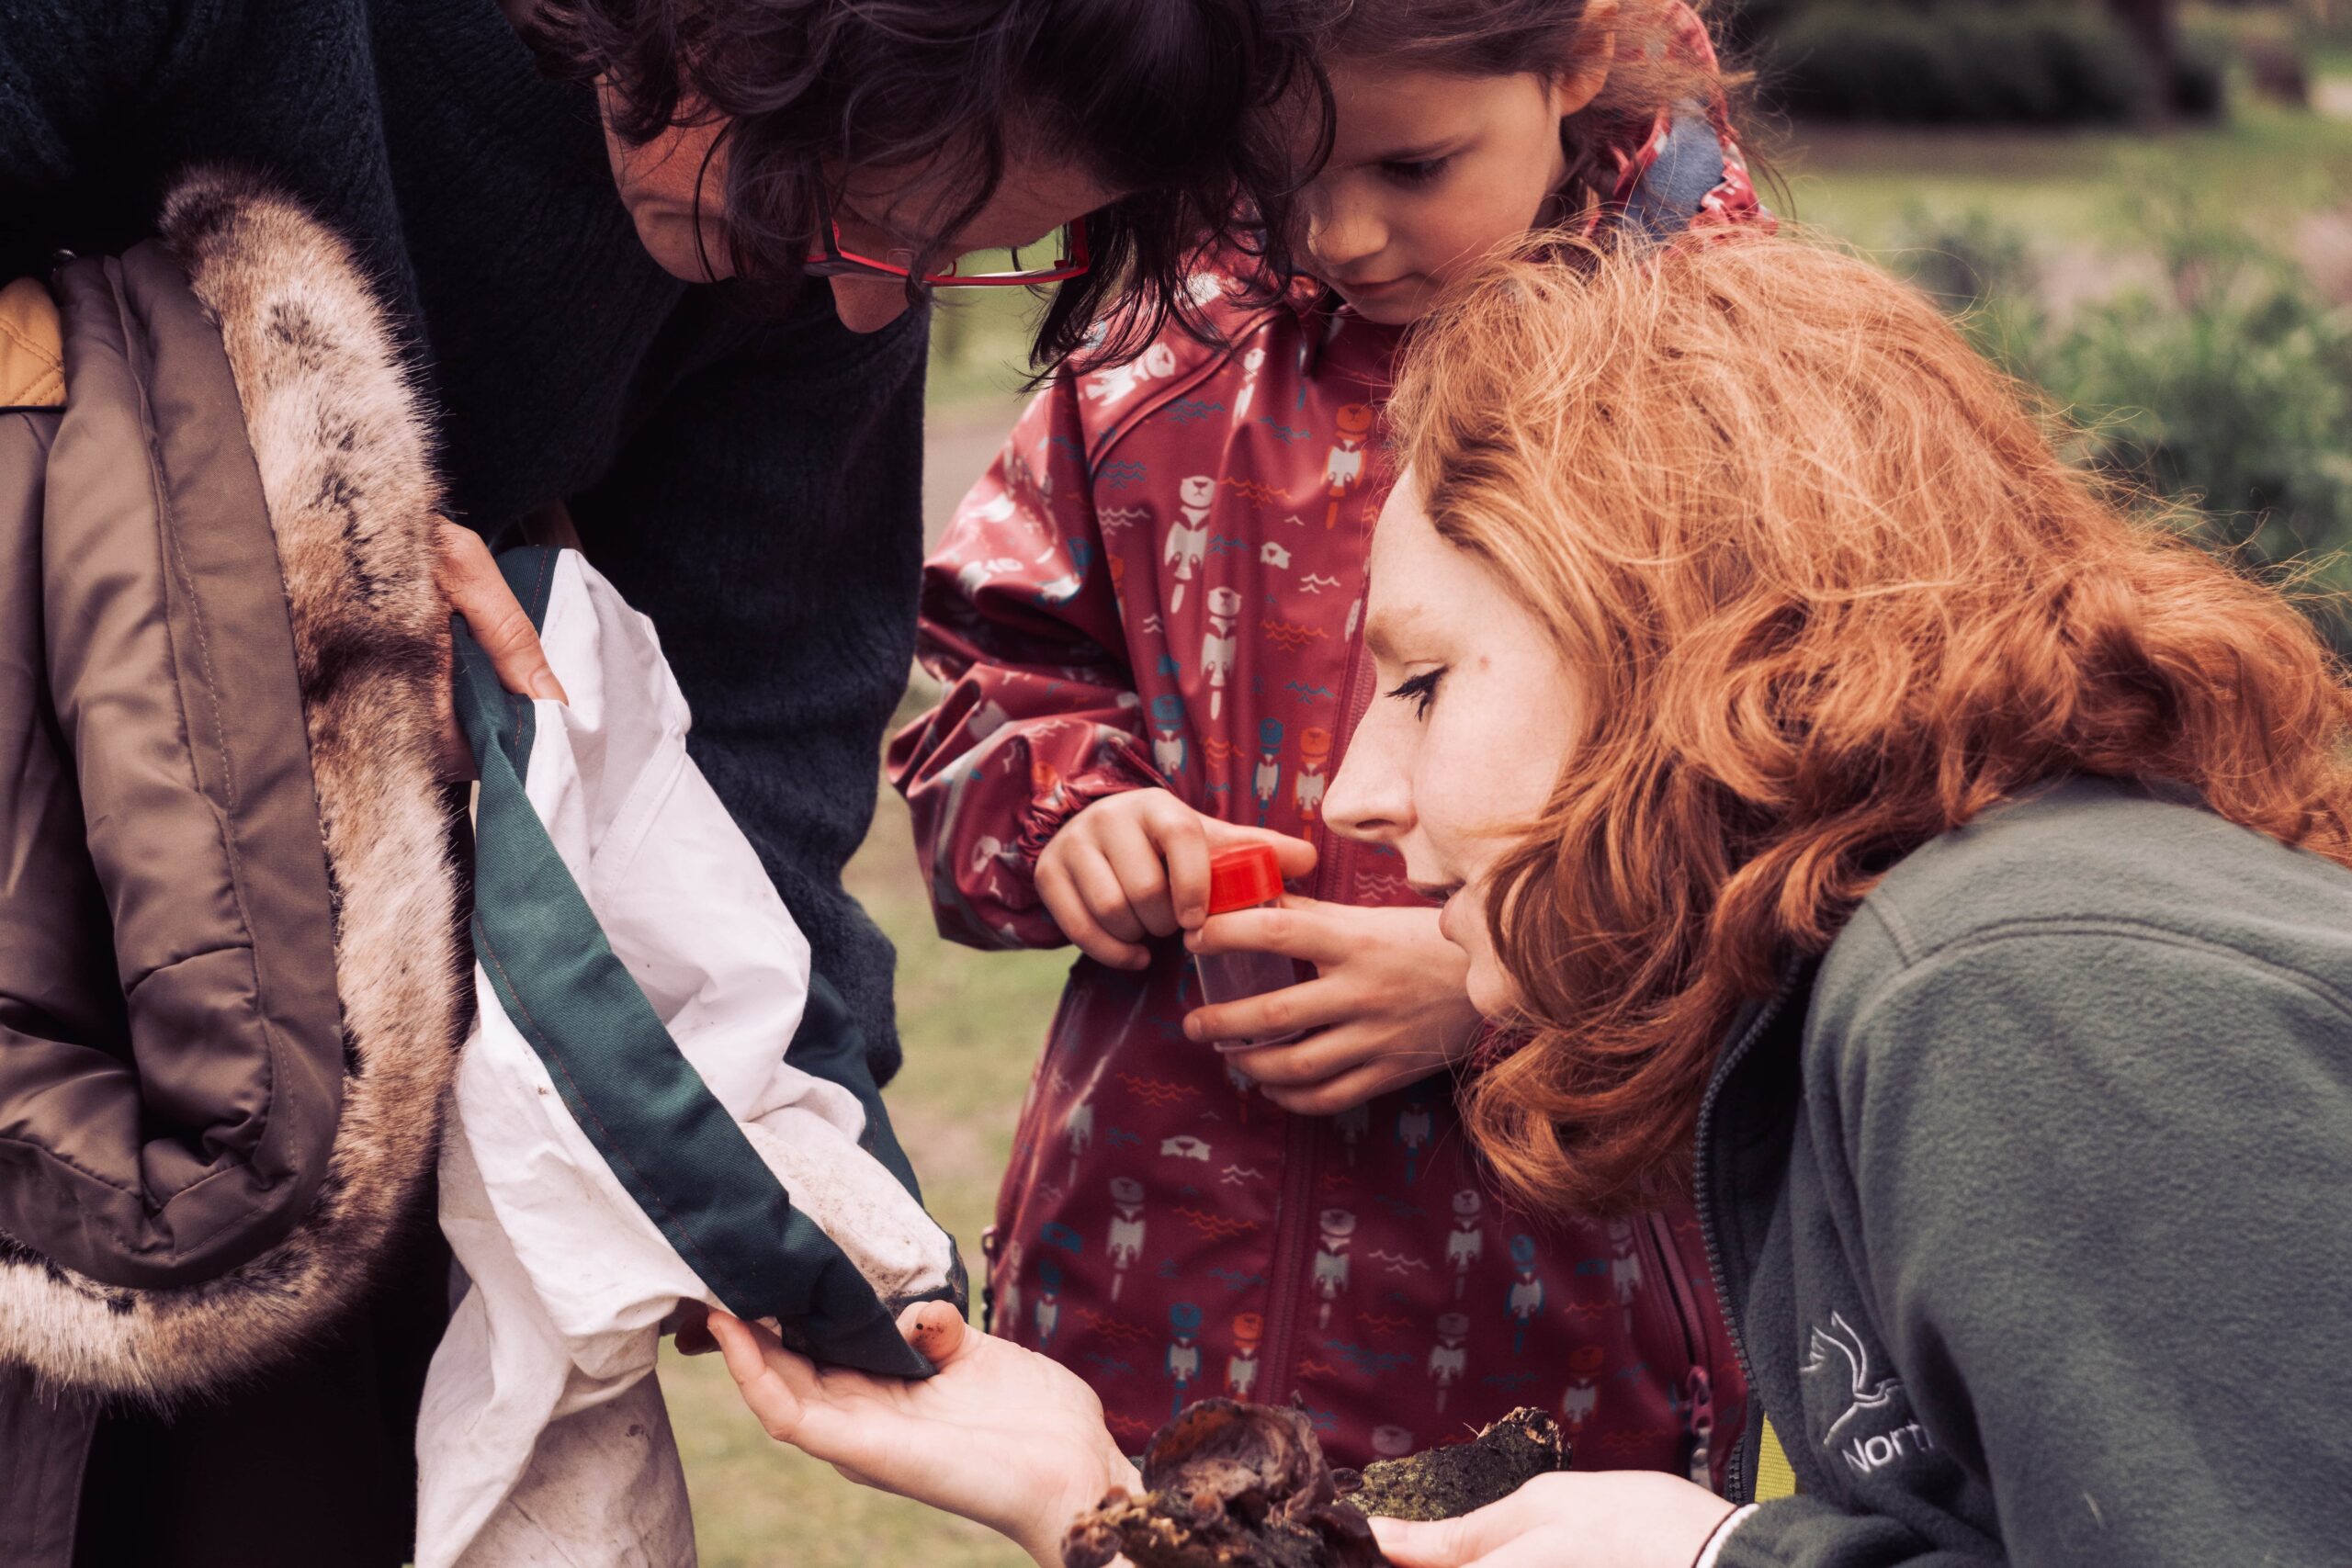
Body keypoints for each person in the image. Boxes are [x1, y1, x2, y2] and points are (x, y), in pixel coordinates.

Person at [709, 230, 2352, 1567]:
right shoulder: (1860, 1006)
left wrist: (1722, 1564)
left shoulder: (2023, 994)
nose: (1357, 791)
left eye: (1421, 682)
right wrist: (1097, 1500)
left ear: (1697, 643)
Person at [0, 2, 1333, 1562]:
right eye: (854, 212)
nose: (850, 304)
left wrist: (803, 1185)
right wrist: (272, 524)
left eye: (944, 259)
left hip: (318, 1063)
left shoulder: (801, 254)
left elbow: (752, 717)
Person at [888, 0, 1767, 1469]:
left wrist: (1509, 975)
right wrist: (1070, 816)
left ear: (1578, 60)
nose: (1341, 235)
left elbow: (1821, 825)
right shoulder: (1156, 358)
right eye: (1279, 172)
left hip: (1560, 1347)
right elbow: (988, 675)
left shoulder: (1735, 400)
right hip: (1150, 1295)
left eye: (1413, 168)